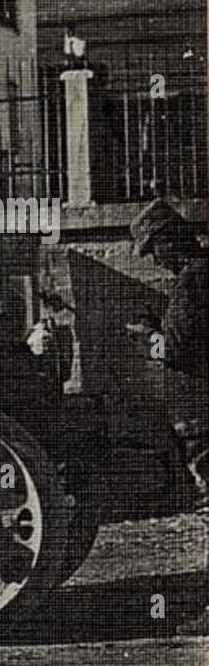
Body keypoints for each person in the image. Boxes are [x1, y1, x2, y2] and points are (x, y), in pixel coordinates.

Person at [129, 199, 209, 501]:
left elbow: (174, 350)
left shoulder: (192, 281)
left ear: (169, 241)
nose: (155, 261)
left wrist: (148, 337)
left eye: (153, 250)